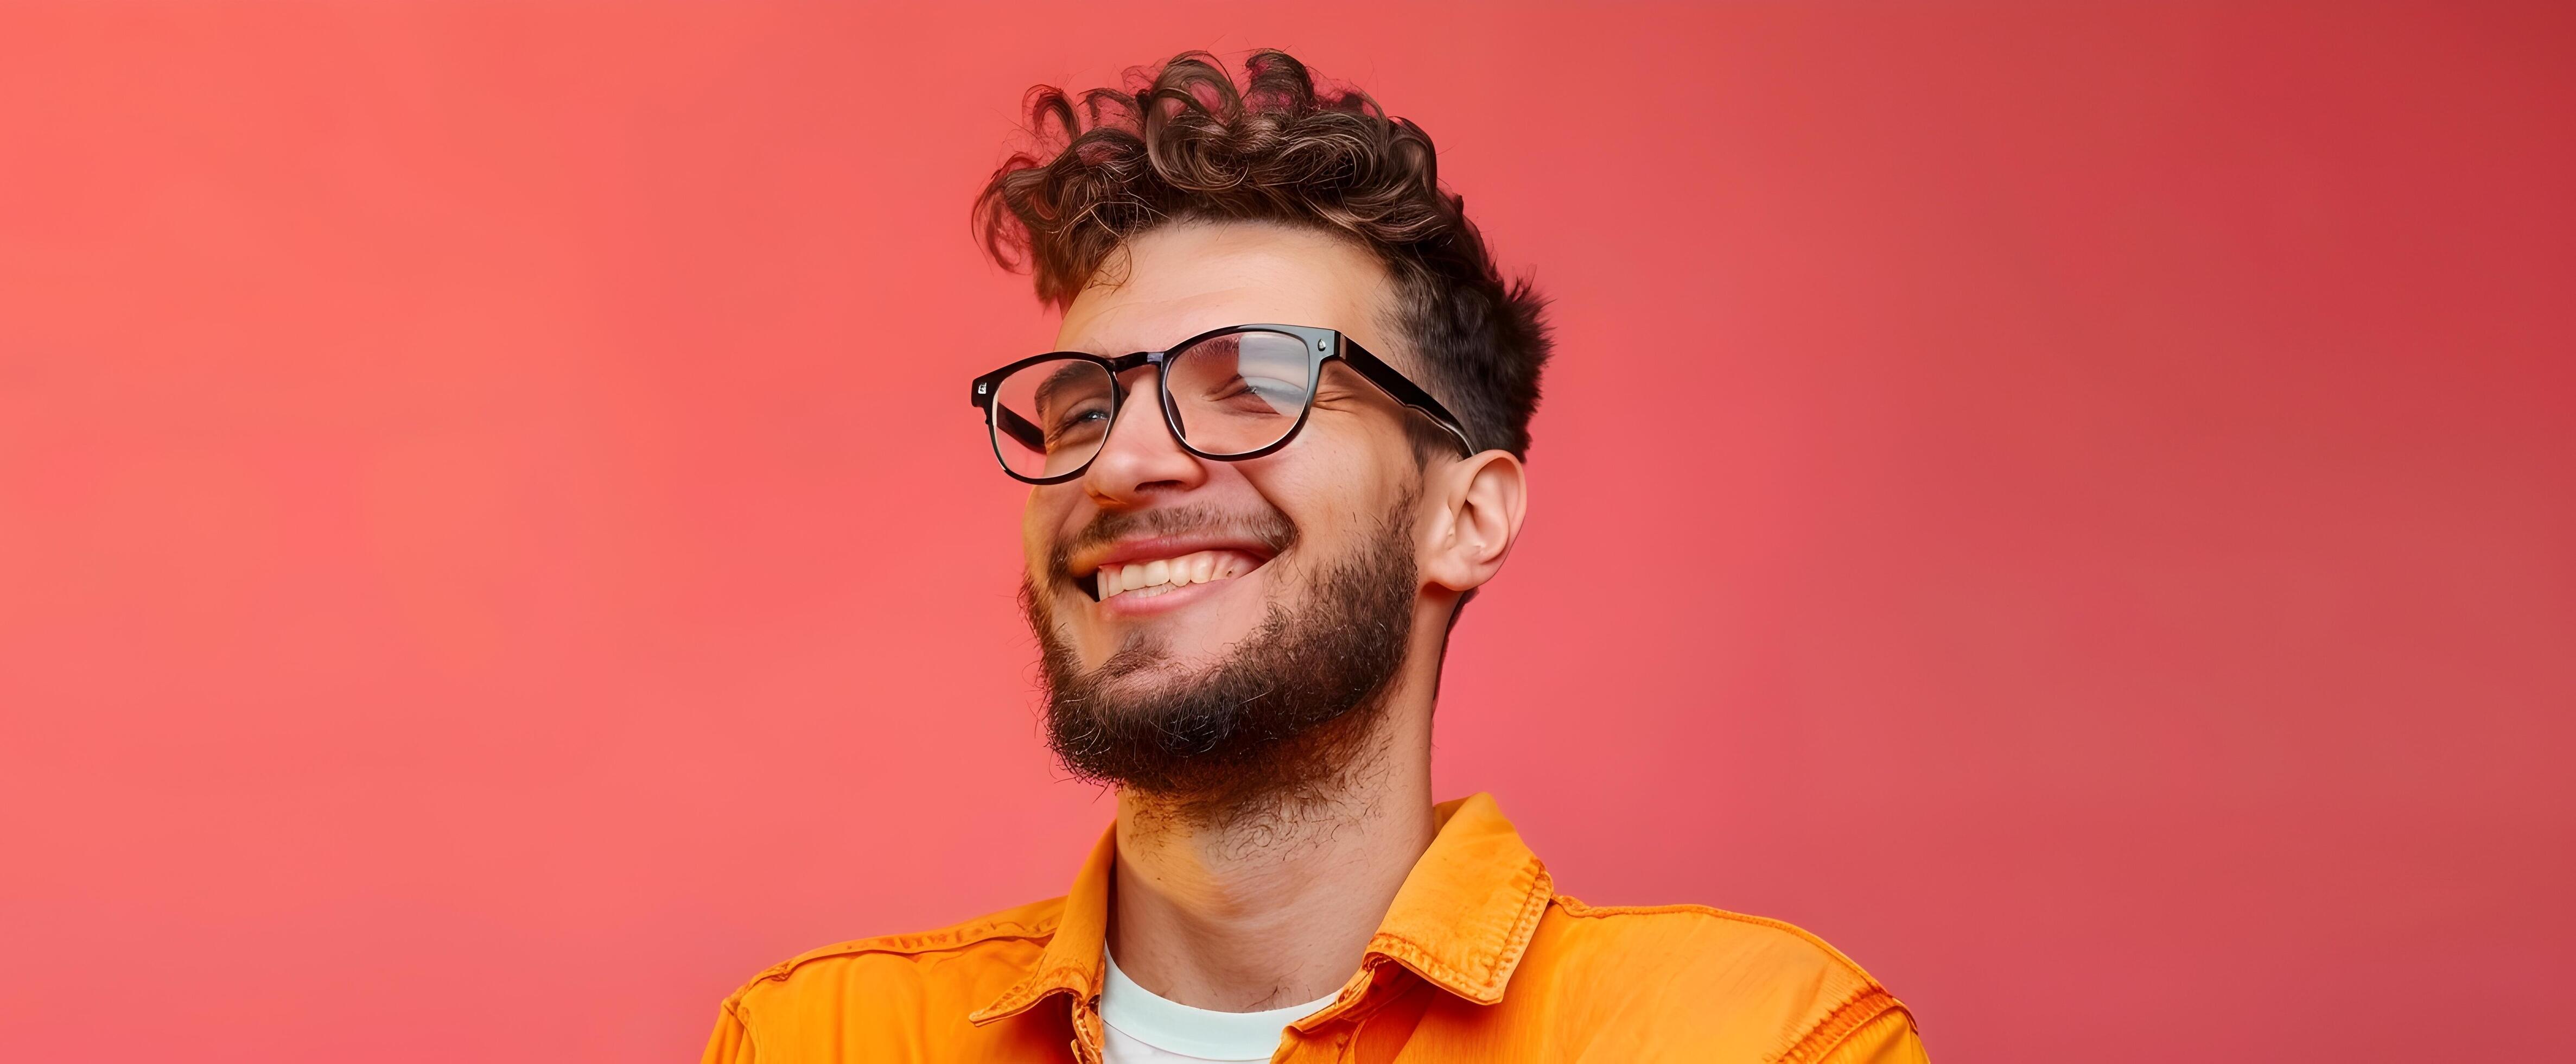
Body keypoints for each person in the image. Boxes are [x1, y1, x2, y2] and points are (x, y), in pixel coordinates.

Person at [700, 50, 1928, 1064]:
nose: (1122, 464)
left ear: (1467, 516)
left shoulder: (1756, 1040)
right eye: (1080, 408)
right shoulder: (820, 1037)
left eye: (1253, 385)